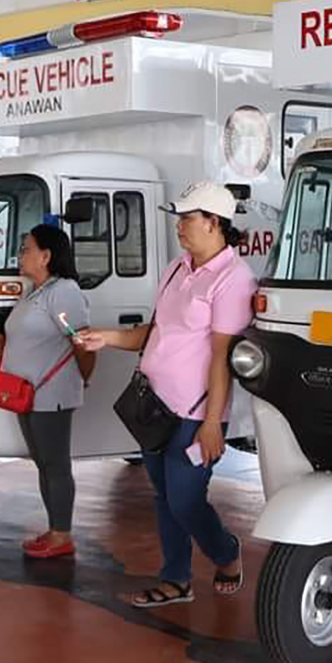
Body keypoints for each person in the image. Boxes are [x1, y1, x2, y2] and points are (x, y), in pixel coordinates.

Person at [76, 182, 256, 607]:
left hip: (195, 413)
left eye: (188, 218)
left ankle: (226, 554)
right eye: (179, 218)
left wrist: (213, 423)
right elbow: (155, 332)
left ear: (214, 223)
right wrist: (108, 338)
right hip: (153, 405)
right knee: (165, 497)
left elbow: (221, 357)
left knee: (186, 499)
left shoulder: (233, 279)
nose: (179, 226)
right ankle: (176, 580)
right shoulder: (178, 268)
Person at [0, 224, 95, 558]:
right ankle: (55, 529)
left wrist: (81, 380)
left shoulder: (64, 292)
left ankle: (63, 535)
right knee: (44, 464)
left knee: (55, 465)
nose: (21, 254)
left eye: (26, 248)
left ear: (46, 256)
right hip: (26, 392)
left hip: (51, 394)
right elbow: (25, 339)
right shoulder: (35, 292)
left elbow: (83, 343)